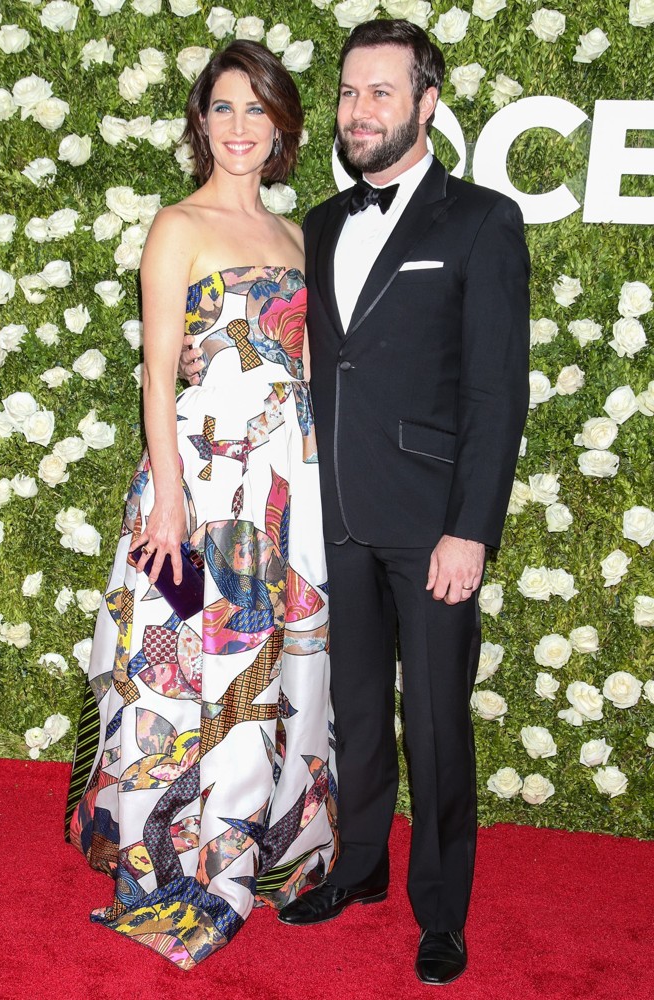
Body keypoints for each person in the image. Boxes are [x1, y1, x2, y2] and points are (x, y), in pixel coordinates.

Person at [182, 17, 530, 987]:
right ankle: (361, 866)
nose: (360, 109)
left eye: (382, 91)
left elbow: (498, 391)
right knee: (354, 717)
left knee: (436, 725)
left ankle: (442, 910)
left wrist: (471, 527)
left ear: (427, 103)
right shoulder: (321, 226)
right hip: (329, 519)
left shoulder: (481, 222)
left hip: (432, 529)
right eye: (348, 92)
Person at [65, 40, 336, 971]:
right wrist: (168, 498)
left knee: (267, 662)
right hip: (199, 486)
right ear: (200, 123)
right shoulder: (177, 226)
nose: (239, 128)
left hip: (281, 493)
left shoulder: (300, 237)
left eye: (257, 110)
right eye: (222, 108)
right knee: (183, 659)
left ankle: (260, 837)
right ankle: (174, 848)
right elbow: (156, 375)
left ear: (284, 127)